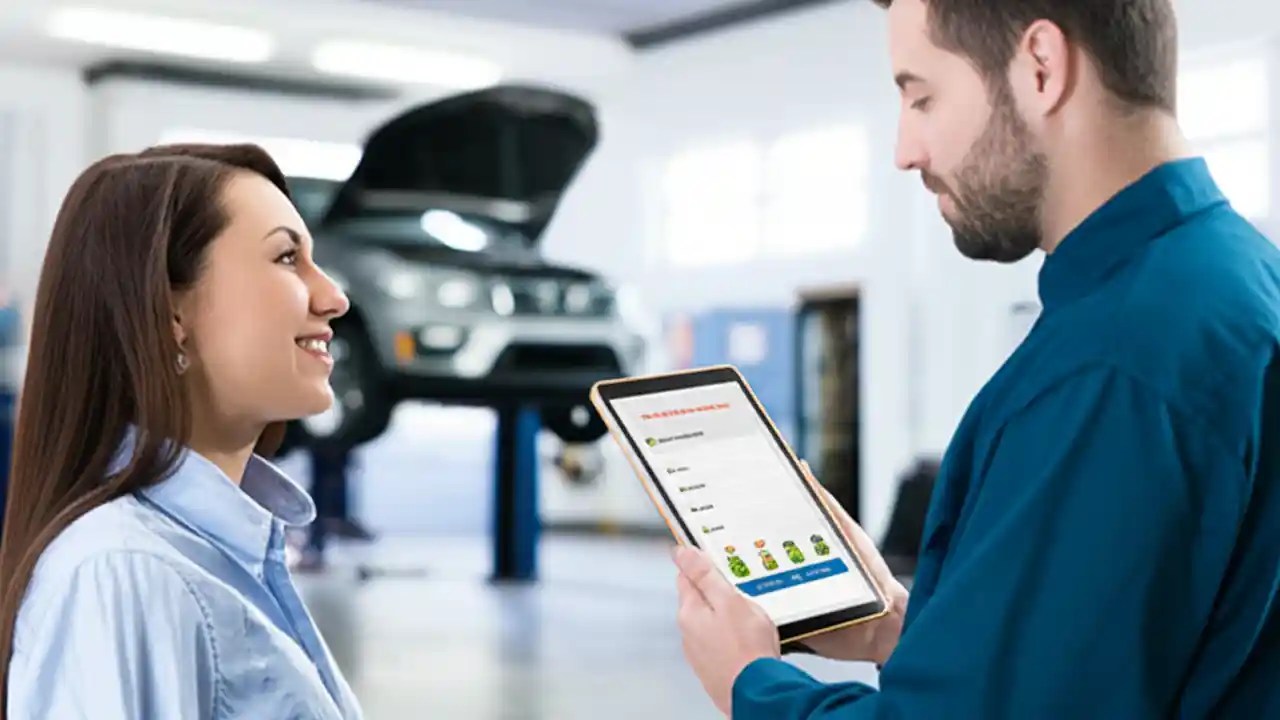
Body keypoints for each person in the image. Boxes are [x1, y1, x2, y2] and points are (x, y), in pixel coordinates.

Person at [671, 0, 1280, 717]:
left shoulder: (1111, 366)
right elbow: (1115, 660)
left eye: (922, 97)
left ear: (1041, 68)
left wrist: (751, 681)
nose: (906, 150)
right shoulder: (1237, 278)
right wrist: (898, 626)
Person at [0, 144, 363, 718]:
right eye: (288, 258)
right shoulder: (124, 573)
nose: (334, 297)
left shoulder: (220, 557)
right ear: (172, 314)